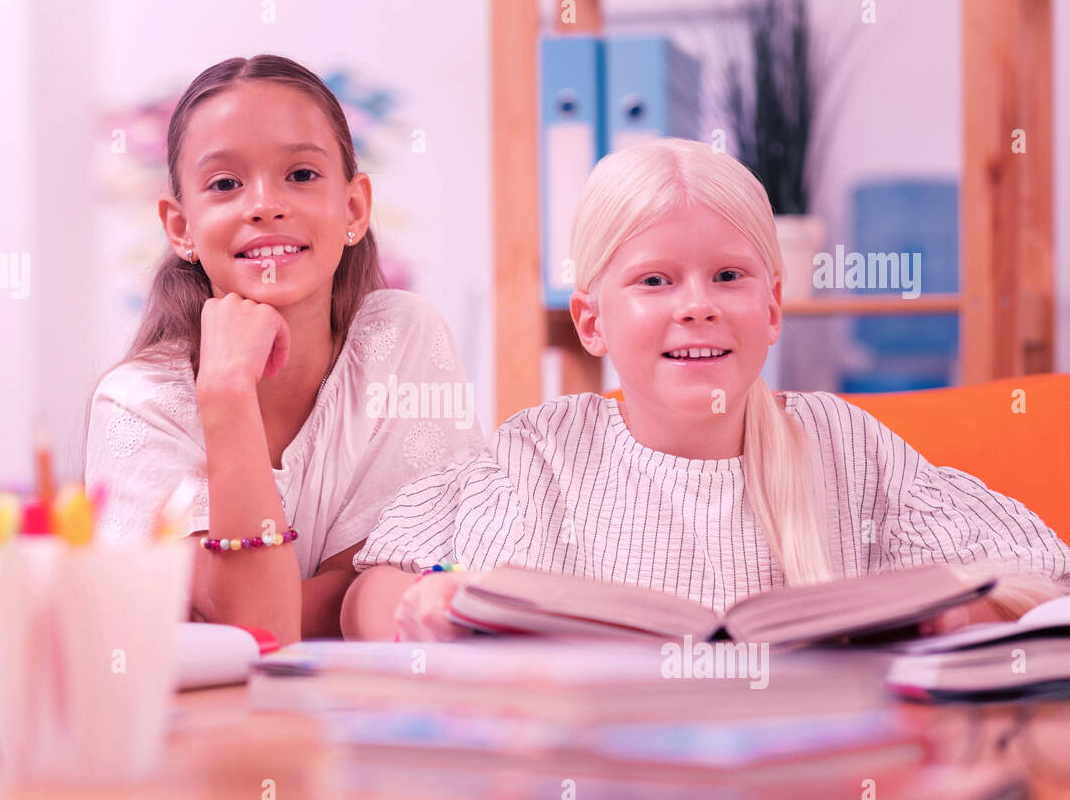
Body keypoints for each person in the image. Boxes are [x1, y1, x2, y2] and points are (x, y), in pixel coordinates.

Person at [341, 137, 1070, 641]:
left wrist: (969, 617)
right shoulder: (539, 449)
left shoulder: (842, 441)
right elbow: (370, 595)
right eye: (655, 280)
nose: (697, 305)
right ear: (592, 322)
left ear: (774, 307)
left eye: (728, 276)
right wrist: (418, 607)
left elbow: (1041, 573)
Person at [85, 56, 481, 645]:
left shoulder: (402, 339)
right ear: (180, 226)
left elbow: (393, 594)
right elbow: (261, 633)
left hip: (374, 715)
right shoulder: (138, 401)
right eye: (225, 184)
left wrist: (242, 604)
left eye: (300, 174)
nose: (265, 204)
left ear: (353, 209)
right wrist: (225, 395)